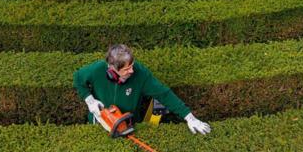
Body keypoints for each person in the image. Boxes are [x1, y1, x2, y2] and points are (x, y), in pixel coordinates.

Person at [73, 44, 211, 135]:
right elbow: (78, 78)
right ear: (112, 69)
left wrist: (190, 118)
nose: (132, 70)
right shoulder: (96, 70)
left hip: (128, 125)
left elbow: (163, 94)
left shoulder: (140, 73)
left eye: (132, 65)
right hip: (99, 123)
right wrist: (90, 100)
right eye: (126, 69)